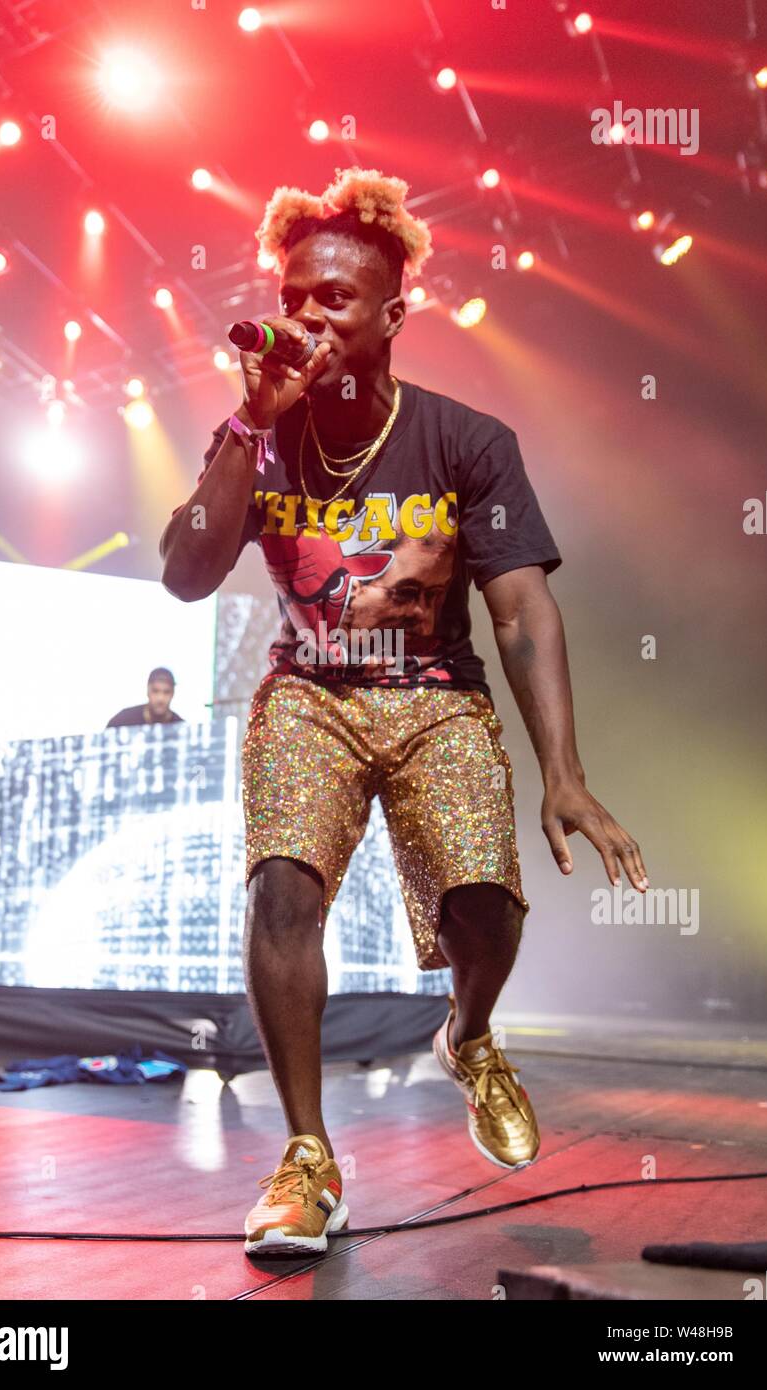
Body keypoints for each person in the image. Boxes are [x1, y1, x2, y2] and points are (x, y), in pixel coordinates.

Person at [160, 166, 649, 1258]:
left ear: (392, 315)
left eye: (334, 297)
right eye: (295, 295)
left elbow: (520, 611)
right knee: (281, 887)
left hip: (435, 699)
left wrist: (563, 772)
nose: (309, 315)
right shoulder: (260, 433)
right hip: (311, 694)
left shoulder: (468, 441)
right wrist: (248, 419)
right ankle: (304, 1159)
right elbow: (187, 572)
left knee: (487, 906)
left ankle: (468, 1036)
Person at [105, 668, 183, 728]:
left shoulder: (180, 727)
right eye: (155, 691)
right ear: (148, 691)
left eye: (166, 692)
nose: (160, 698)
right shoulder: (122, 720)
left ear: (173, 693)